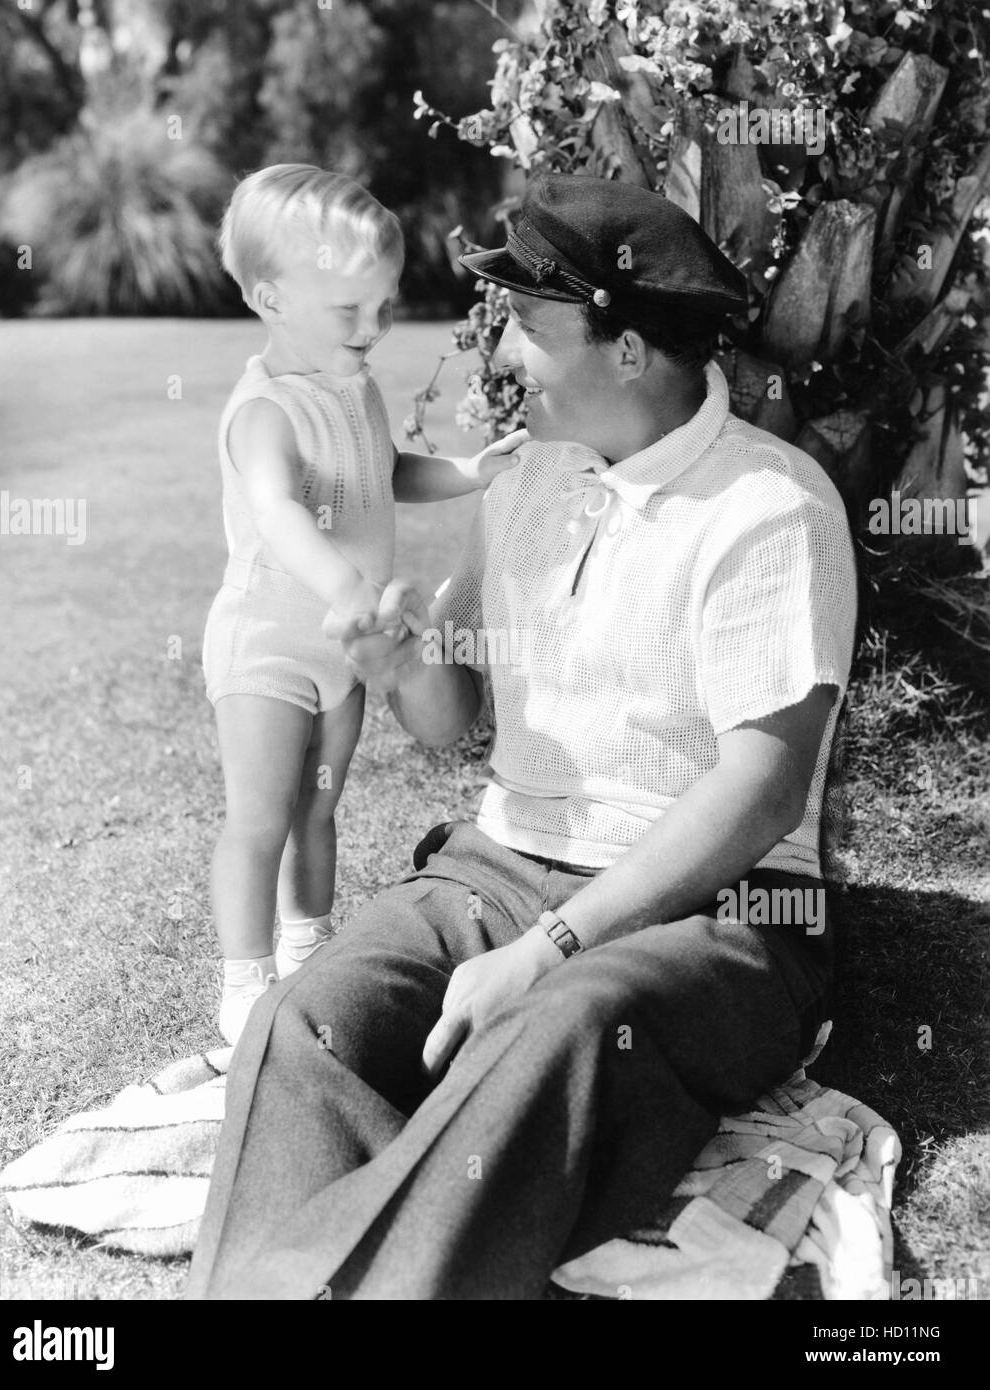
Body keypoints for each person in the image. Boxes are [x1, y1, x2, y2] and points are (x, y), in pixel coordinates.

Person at [187, 173, 858, 1299]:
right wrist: (402, 669)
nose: (501, 357)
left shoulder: (771, 509)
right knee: (312, 1023)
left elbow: (759, 791)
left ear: (629, 350)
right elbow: (449, 717)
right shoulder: (527, 478)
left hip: (717, 914)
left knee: (553, 1029)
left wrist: (547, 949)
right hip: (496, 870)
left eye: (532, 331)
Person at [202, 164, 524, 1043]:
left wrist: (468, 471)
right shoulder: (264, 412)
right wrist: (347, 590)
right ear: (271, 298)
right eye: (349, 312)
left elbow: (385, 475)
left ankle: (306, 956)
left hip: (341, 654)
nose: (374, 327)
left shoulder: (357, 390)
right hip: (269, 646)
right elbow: (277, 513)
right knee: (261, 816)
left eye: (382, 306)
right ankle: (243, 982)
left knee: (316, 808)